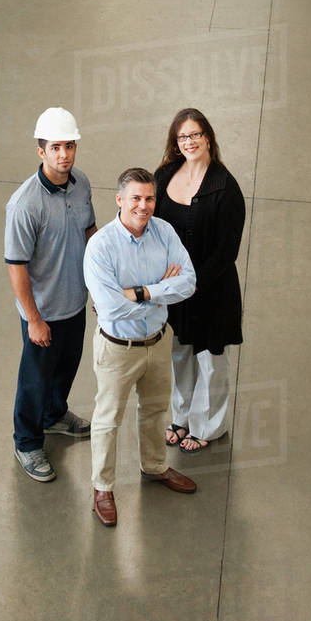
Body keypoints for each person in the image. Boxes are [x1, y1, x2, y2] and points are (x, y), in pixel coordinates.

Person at [83, 167, 198, 526]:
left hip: (158, 341)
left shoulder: (164, 232)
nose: (143, 206)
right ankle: (103, 488)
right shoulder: (100, 247)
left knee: (154, 409)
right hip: (118, 348)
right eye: (135, 198)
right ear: (119, 200)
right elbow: (110, 308)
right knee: (108, 419)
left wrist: (141, 291)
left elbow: (189, 282)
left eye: (149, 198)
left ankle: (154, 466)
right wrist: (161, 291)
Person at [5, 107, 97, 482]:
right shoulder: (25, 205)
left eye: (70, 146)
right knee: (34, 380)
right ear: (40, 151)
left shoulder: (82, 183)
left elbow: (92, 234)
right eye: (56, 147)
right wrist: (34, 319)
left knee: (67, 366)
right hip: (43, 311)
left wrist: (100, 286)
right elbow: (17, 267)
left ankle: (55, 415)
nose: (65, 155)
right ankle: (27, 442)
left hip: (74, 302)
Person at [154, 109, 246, 454]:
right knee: (179, 353)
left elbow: (227, 252)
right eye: (183, 137)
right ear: (175, 143)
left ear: (208, 137)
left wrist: (192, 282)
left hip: (211, 288)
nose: (190, 142)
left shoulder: (226, 187)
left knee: (210, 358)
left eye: (195, 135)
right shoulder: (164, 176)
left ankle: (208, 424)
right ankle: (181, 418)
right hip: (174, 287)